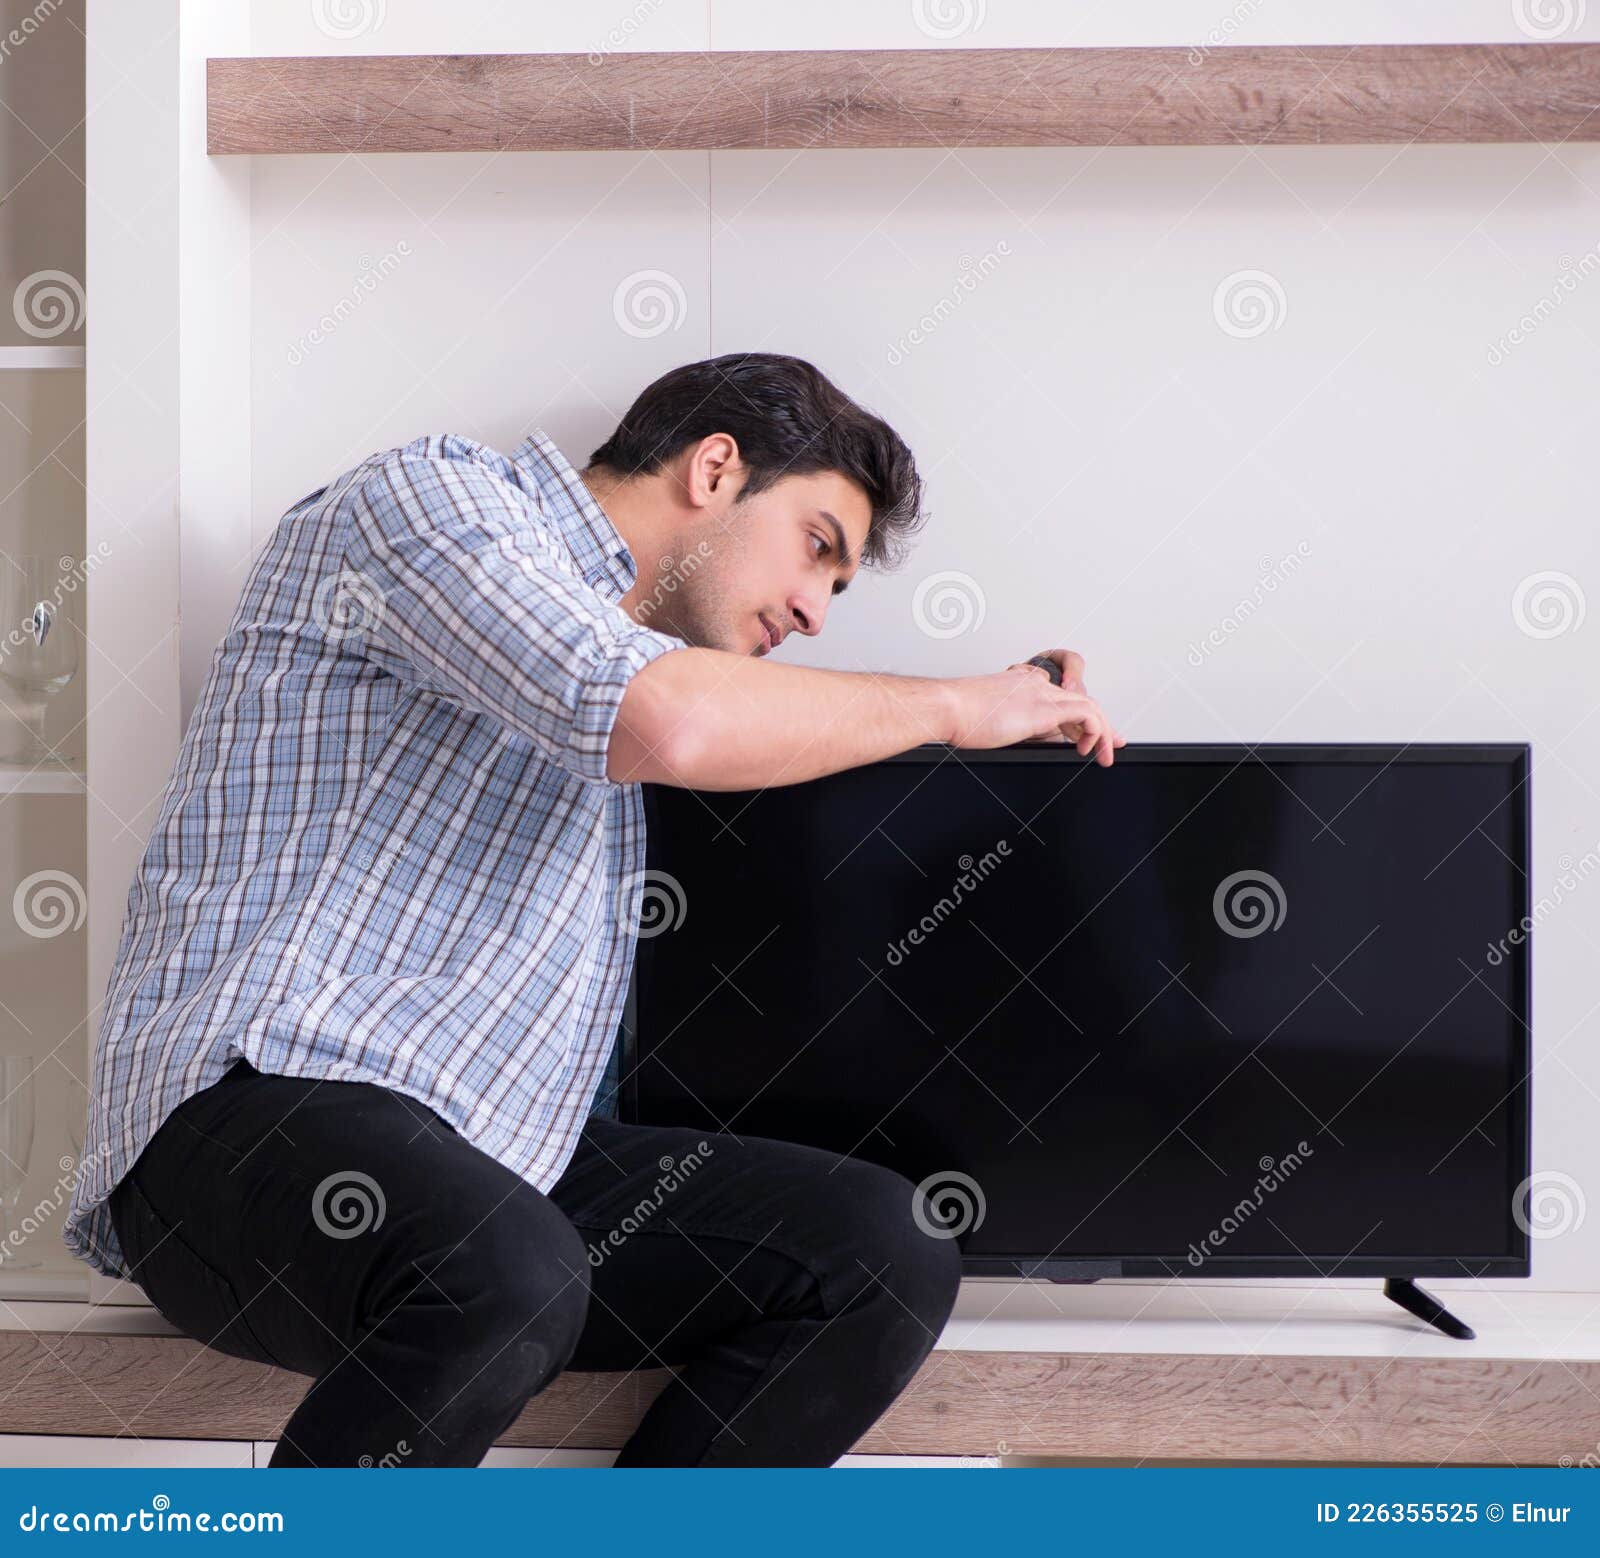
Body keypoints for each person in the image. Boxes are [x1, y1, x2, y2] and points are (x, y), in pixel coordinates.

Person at [62, 352, 1123, 1467]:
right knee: (503, 1268)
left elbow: (699, 722)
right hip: (236, 1124)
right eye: (818, 546)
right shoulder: (429, 500)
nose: (816, 607)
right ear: (715, 468)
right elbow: (661, 722)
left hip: (492, 1154)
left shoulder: (655, 686)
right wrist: (955, 706)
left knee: (881, 1247)